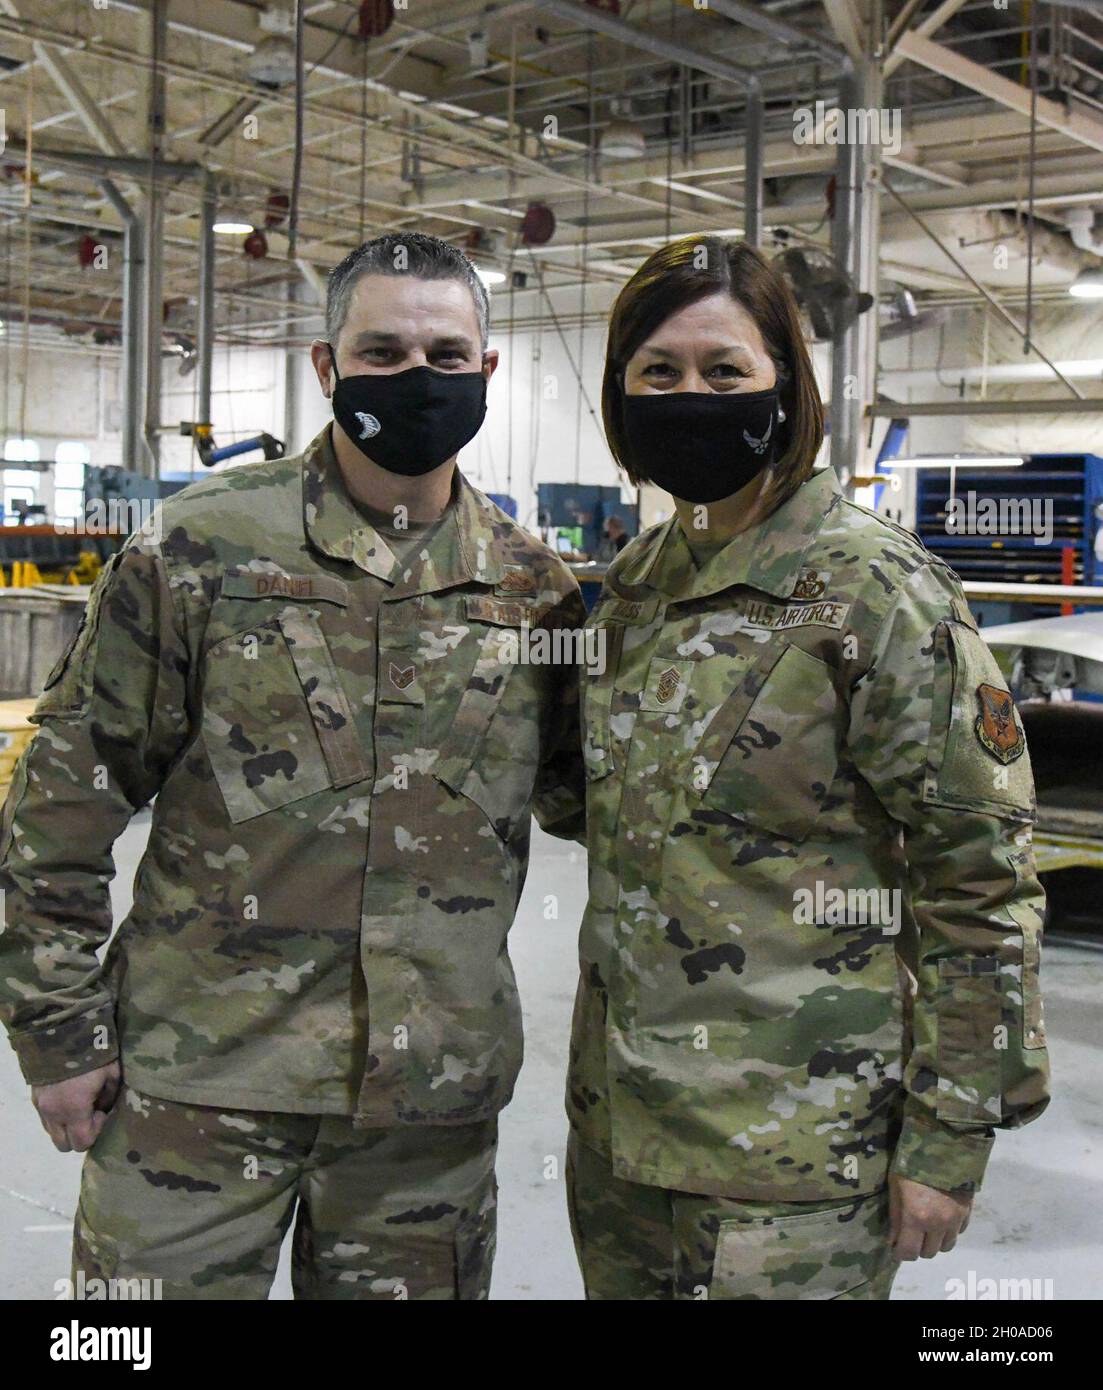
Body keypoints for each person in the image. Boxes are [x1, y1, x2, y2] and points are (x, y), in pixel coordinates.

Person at [0, 231, 586, 1300]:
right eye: (382, 352)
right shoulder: (199, 548)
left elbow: (603, 808)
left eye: (447, 356)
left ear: (487, 369)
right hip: (194, 1090)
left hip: (424, 1117)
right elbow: (64, 801)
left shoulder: (534, 593)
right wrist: (58, 1031)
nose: (417, 377)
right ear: (326, 366)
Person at [565, 236, 1050, 1301]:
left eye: (723, 370)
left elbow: (979, 878)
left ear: (784, 387)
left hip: (795, 1167)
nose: (689, 398)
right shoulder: (635, 586)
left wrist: (949, 1134)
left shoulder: (874, 591)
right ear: (618, 395)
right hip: (620, 1150)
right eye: (658, 372)